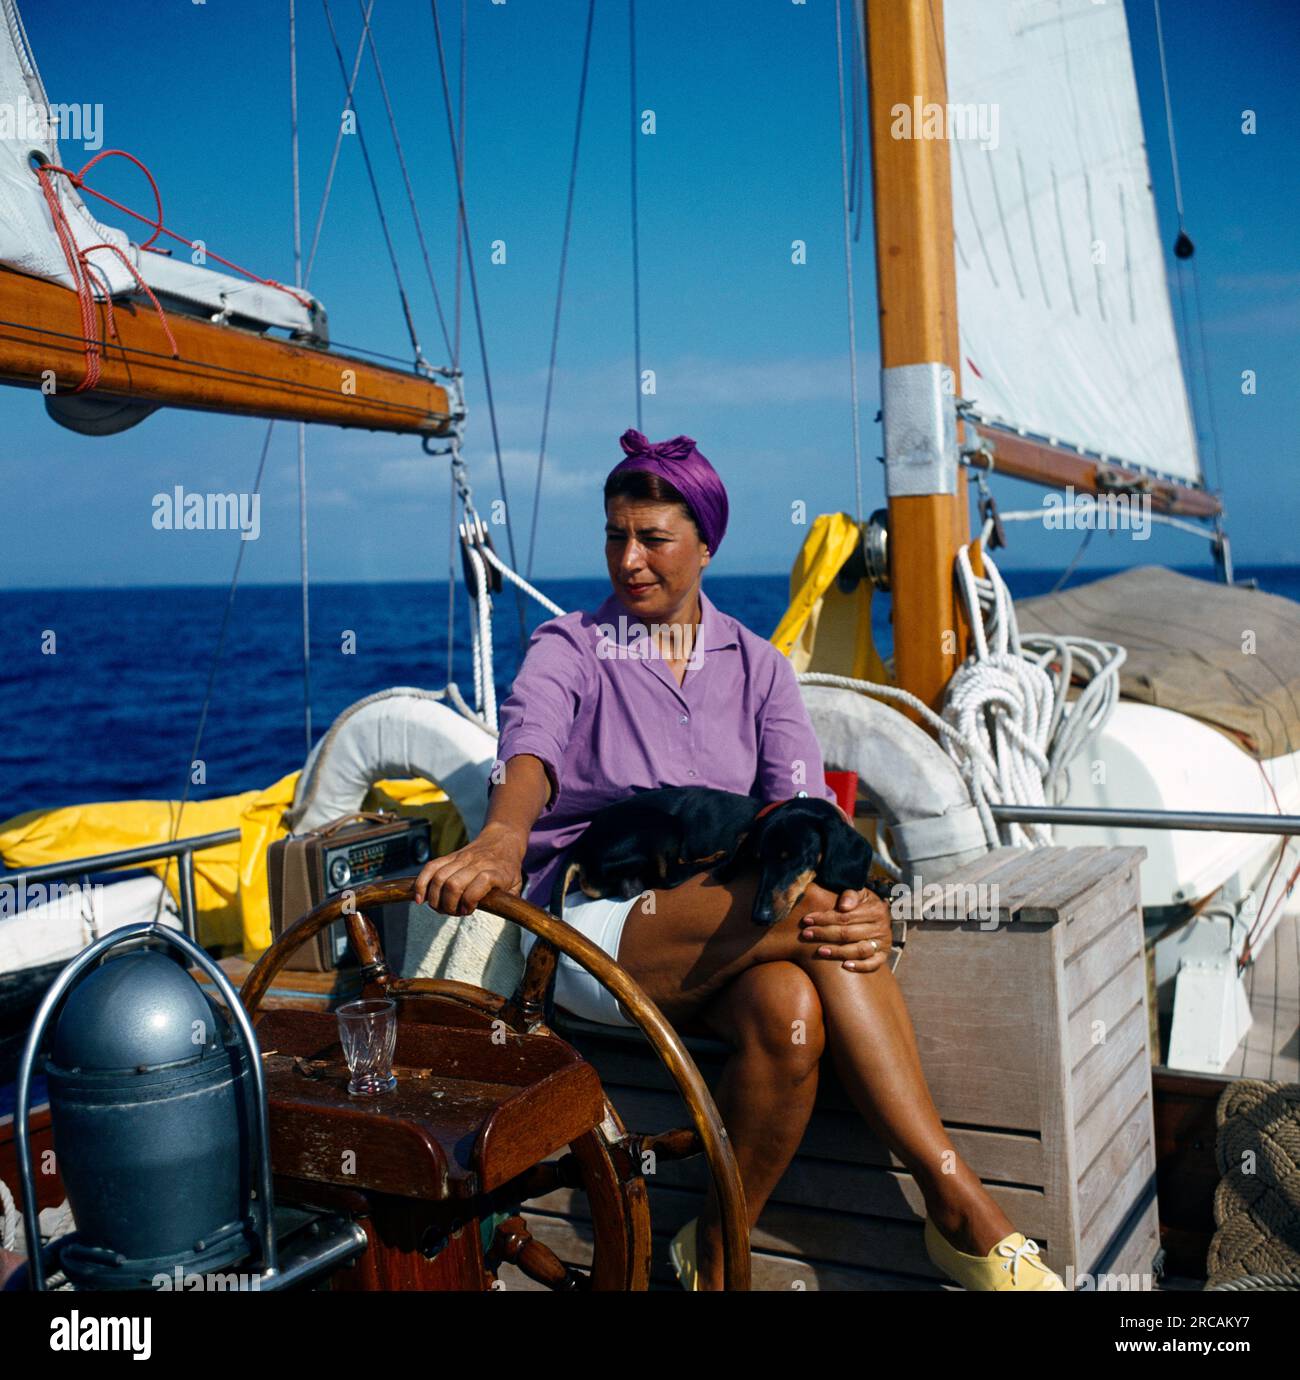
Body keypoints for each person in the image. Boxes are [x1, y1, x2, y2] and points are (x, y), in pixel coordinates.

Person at [416, 427, 1063, 1292]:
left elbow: (802, 812)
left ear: (706, 545)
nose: (630, 559)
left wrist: (866, 901)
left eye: (654, 538)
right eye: (617, 535)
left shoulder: (760, 670)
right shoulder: (569, 646)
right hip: (590, 922)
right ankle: (959, 1203)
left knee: (793, 1013)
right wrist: (500, 838)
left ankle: (715, 1247)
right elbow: (528, 745)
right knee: (817, 915)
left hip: (728, 934)